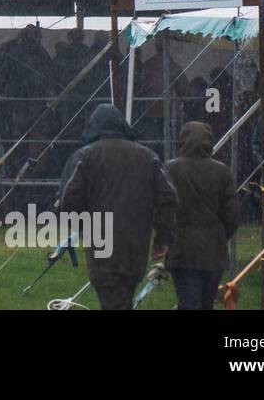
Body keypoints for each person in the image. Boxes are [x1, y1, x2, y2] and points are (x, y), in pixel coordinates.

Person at [58, 104, 177, 310]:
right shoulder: (148, 157)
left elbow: (67, 202)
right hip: (135, 245)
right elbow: (168, 197)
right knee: (122, 299)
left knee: (112, 301)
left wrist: (86, 224)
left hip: (102, 245)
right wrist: (162, 236)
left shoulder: (84, 157)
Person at [164, 121, 239, 309]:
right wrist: (220, 234)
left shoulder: (170, 169)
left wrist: (166, 237)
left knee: (188, 302)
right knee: (206, 304)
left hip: (182, 248)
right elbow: (233, 214)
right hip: (214, 250)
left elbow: (162, 210)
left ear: (182, 141)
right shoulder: (222, 171)